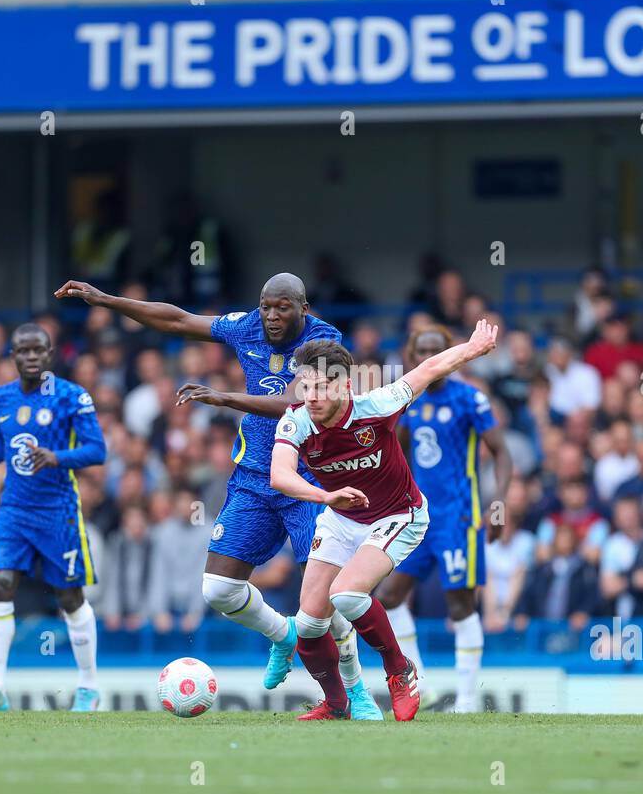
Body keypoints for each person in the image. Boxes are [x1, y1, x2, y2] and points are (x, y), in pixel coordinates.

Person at [55, 273, 377, 718]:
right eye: (266, 306)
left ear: (304, 308)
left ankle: (355, 692)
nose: (271, 316)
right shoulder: (247, 327)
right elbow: (176, 320)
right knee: (219, 589)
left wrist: (224, 397)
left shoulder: (324, 342)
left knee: (323, 600)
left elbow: (297, 403)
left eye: (282, 307)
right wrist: (105, 299)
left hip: (311, 482)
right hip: (254, 479)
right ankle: (283, 637)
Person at [269, 320, 499, 721]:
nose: (313, 397)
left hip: (399, 515)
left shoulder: (377, 405)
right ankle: (337, 703)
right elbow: (280, 475)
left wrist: (473, 348)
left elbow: (427, 370)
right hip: (340, 516)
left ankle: (399, 668)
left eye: (323, 388)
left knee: (347, 595)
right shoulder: (297, 420)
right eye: (307, 387)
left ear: (344, 386)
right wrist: (325, 496)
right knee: (308, 624)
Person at [0, 324, 107, 712]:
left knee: (70, 597)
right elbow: (3, 442)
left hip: (59, 512)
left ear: (50, 353)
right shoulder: (1, 397)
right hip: (13, 509)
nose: (30, 357)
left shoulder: (72, 397)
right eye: (22, 351)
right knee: (0, 583)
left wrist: (57, 457)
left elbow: (97, 451)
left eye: (37, 350)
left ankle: (88, 687)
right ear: (12, 356)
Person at [375, 325, 512, 713]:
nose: (429, 357)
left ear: (449, 356)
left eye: (437, 349)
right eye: (422, 351)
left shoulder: (470, 399)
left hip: (458, 517)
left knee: (460, 606)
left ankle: (467, 701)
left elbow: (501, 453)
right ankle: (425, 686)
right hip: (417, 517)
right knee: (388, 597)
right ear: (413, 356)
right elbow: (395, 455)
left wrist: (499, 502)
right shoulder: (406, 400)